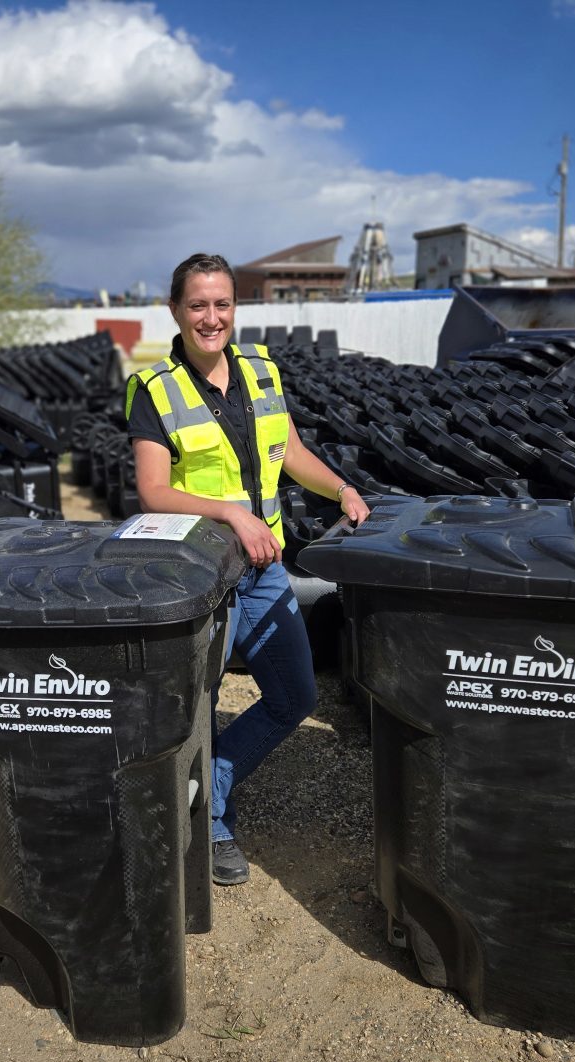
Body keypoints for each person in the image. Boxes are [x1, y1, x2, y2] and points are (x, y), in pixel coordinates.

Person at [125, 253, 371, 886]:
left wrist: (340, 489)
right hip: (201, 580)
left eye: (223, 304)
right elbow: (153, 490)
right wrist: (230, 514)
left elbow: (288, 450)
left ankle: (213, 786)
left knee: (295, 697)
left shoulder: (260, 369)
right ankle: (206, 825)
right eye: (199, 305)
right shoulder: (154, 389)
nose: (212, 318)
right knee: (200, 708)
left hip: (263, 571)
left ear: (236, 307)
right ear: (175, 310)